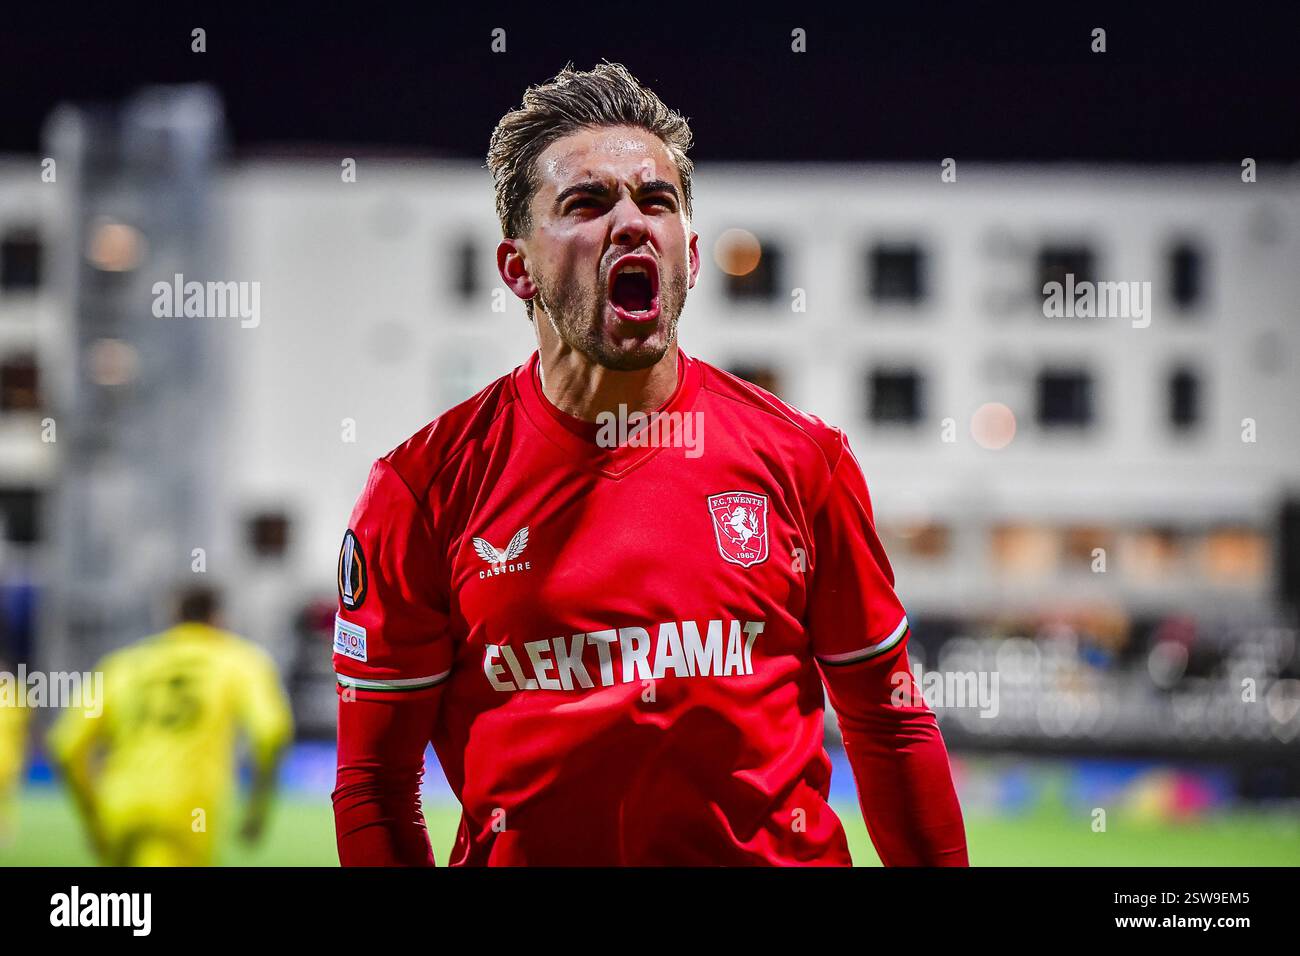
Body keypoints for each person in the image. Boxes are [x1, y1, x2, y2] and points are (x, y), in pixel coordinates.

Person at [332, 62, 968, 866]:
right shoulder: (421, 489)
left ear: (690, 257)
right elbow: (375, 785)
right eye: (587, 203)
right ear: (517, 268)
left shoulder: (805, 462)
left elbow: (890, 722)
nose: (631, 223)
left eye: (656, 200)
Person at [48, 585, 292, 866]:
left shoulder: (124, 663)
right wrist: (257, 809)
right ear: (218, 618)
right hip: (185, 810)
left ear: (172, 616)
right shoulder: (238, 660)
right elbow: (271, 731)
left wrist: (91, 816)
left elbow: (67, 744)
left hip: (118, 807)